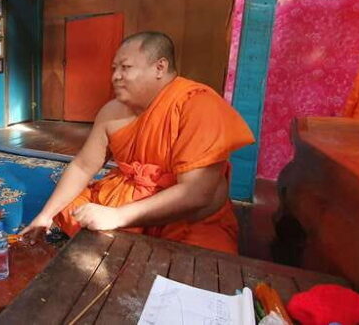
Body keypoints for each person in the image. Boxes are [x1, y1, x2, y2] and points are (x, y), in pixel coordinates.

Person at [21, 32, 254, 254]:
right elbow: (83, 166)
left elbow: (197, 193)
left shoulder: (198, 105)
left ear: (159, 67)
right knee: (71, 208)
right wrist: (46, 215)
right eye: (114, 69)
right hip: (130, 198)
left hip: (184, 217)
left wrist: (118, 216)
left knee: (205, 268)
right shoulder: (111, 111)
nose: (115, 76)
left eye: (126, 67)